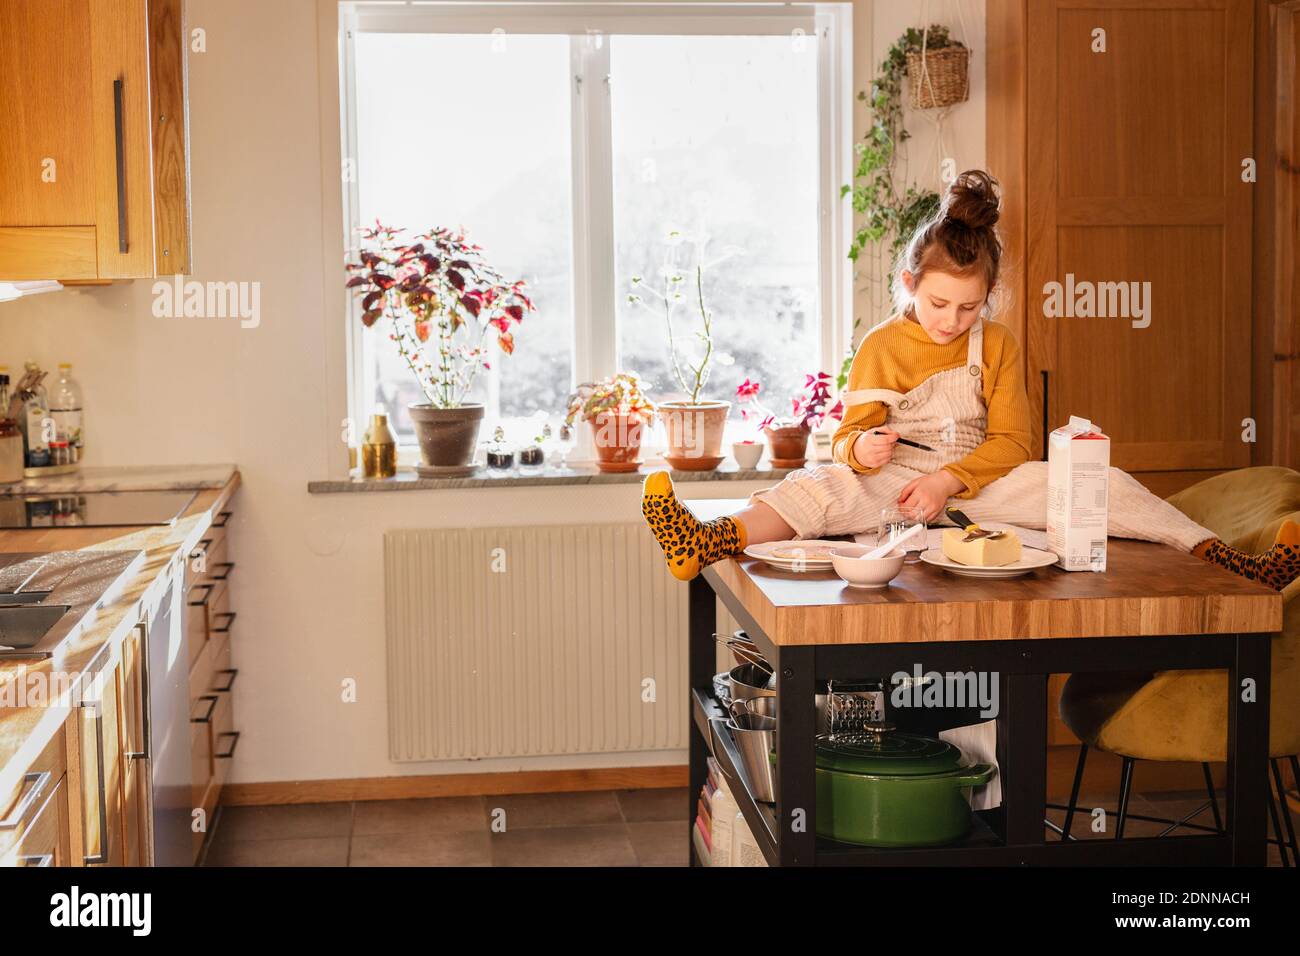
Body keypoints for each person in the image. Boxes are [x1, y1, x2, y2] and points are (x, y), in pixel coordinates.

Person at [642, 170, 1300, 587]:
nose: (952, 321)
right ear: (909, 285)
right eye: (936, 305)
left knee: (1100, 482)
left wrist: (948, 480)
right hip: (893, 485)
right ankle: (705, 540)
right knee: (822, 484)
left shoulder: (1001, 344)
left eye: (968, 307)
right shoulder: (881, 345)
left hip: (985, 479)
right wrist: (859, 449)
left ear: (989, 294)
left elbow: (1016, 442)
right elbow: (848, 438)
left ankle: (1237, 562)